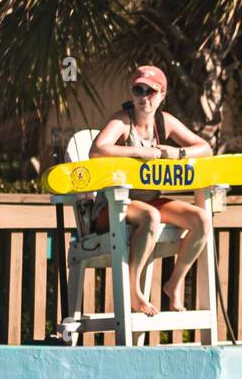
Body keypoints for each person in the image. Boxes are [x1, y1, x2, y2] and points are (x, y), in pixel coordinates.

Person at [89, 65, 213, 315]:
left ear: (162, 95)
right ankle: (134, 292)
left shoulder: (164, 122)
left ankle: (174, 284)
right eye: (138, 90)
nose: (144, 97)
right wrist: (139, 151)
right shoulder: (123, 120)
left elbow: (205, 148)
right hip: (113, 205)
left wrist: (177, 153)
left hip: (150, 200)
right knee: (151, 216)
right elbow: (97, 150)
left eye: (150, 91)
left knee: (201, 219)